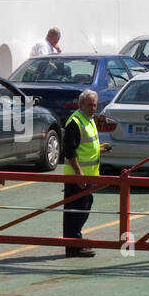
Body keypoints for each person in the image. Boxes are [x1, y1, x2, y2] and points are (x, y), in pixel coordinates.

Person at [62, 90, 108, 257]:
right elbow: (69, 151)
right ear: (80, 105)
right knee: (75, 211)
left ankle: (75, 242)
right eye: (89, 105)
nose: (93, 108)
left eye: (95, 105)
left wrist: (101, 149)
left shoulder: (88, 120)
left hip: (88, 175)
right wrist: (79, 174)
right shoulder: (75, 121)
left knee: (83, 208)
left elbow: (84, 146)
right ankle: (73, 246)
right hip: (78, 177)